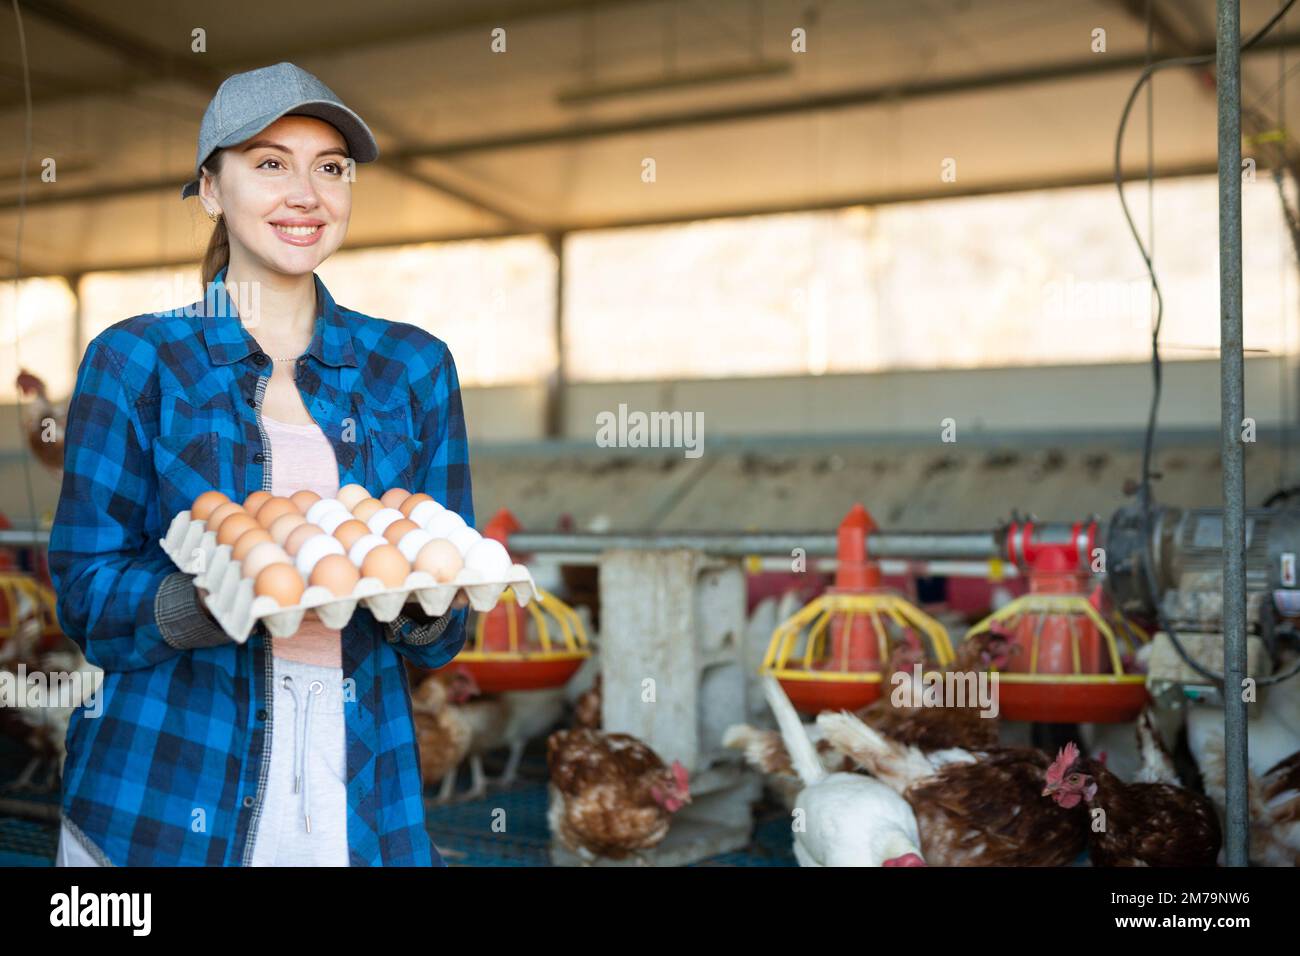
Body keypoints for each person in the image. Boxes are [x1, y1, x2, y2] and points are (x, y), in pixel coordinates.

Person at [47, 62, 474, 866]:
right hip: (169, 771)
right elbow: (84, 594)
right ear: (211, 188)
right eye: (270, 163)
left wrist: (424, 602)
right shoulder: (139, 359)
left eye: (332, 167)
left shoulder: (413, 368)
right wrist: (213, 596)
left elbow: (442, 630)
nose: (306, 193)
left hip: (358, 779)